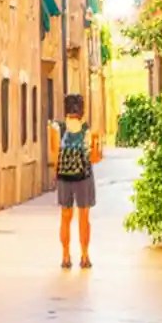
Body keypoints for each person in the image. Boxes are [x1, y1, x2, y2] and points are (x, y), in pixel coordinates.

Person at [47, 93, 103, 269]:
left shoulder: (57, 128)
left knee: (65, 217)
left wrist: (58, 174)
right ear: (82, 110)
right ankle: (85, 256)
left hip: (64, 178)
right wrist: (96, 143)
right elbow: (95, 158)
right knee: (84, 217)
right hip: (84, 177)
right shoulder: (88, 130)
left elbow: (54, 156)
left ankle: (65, 256)